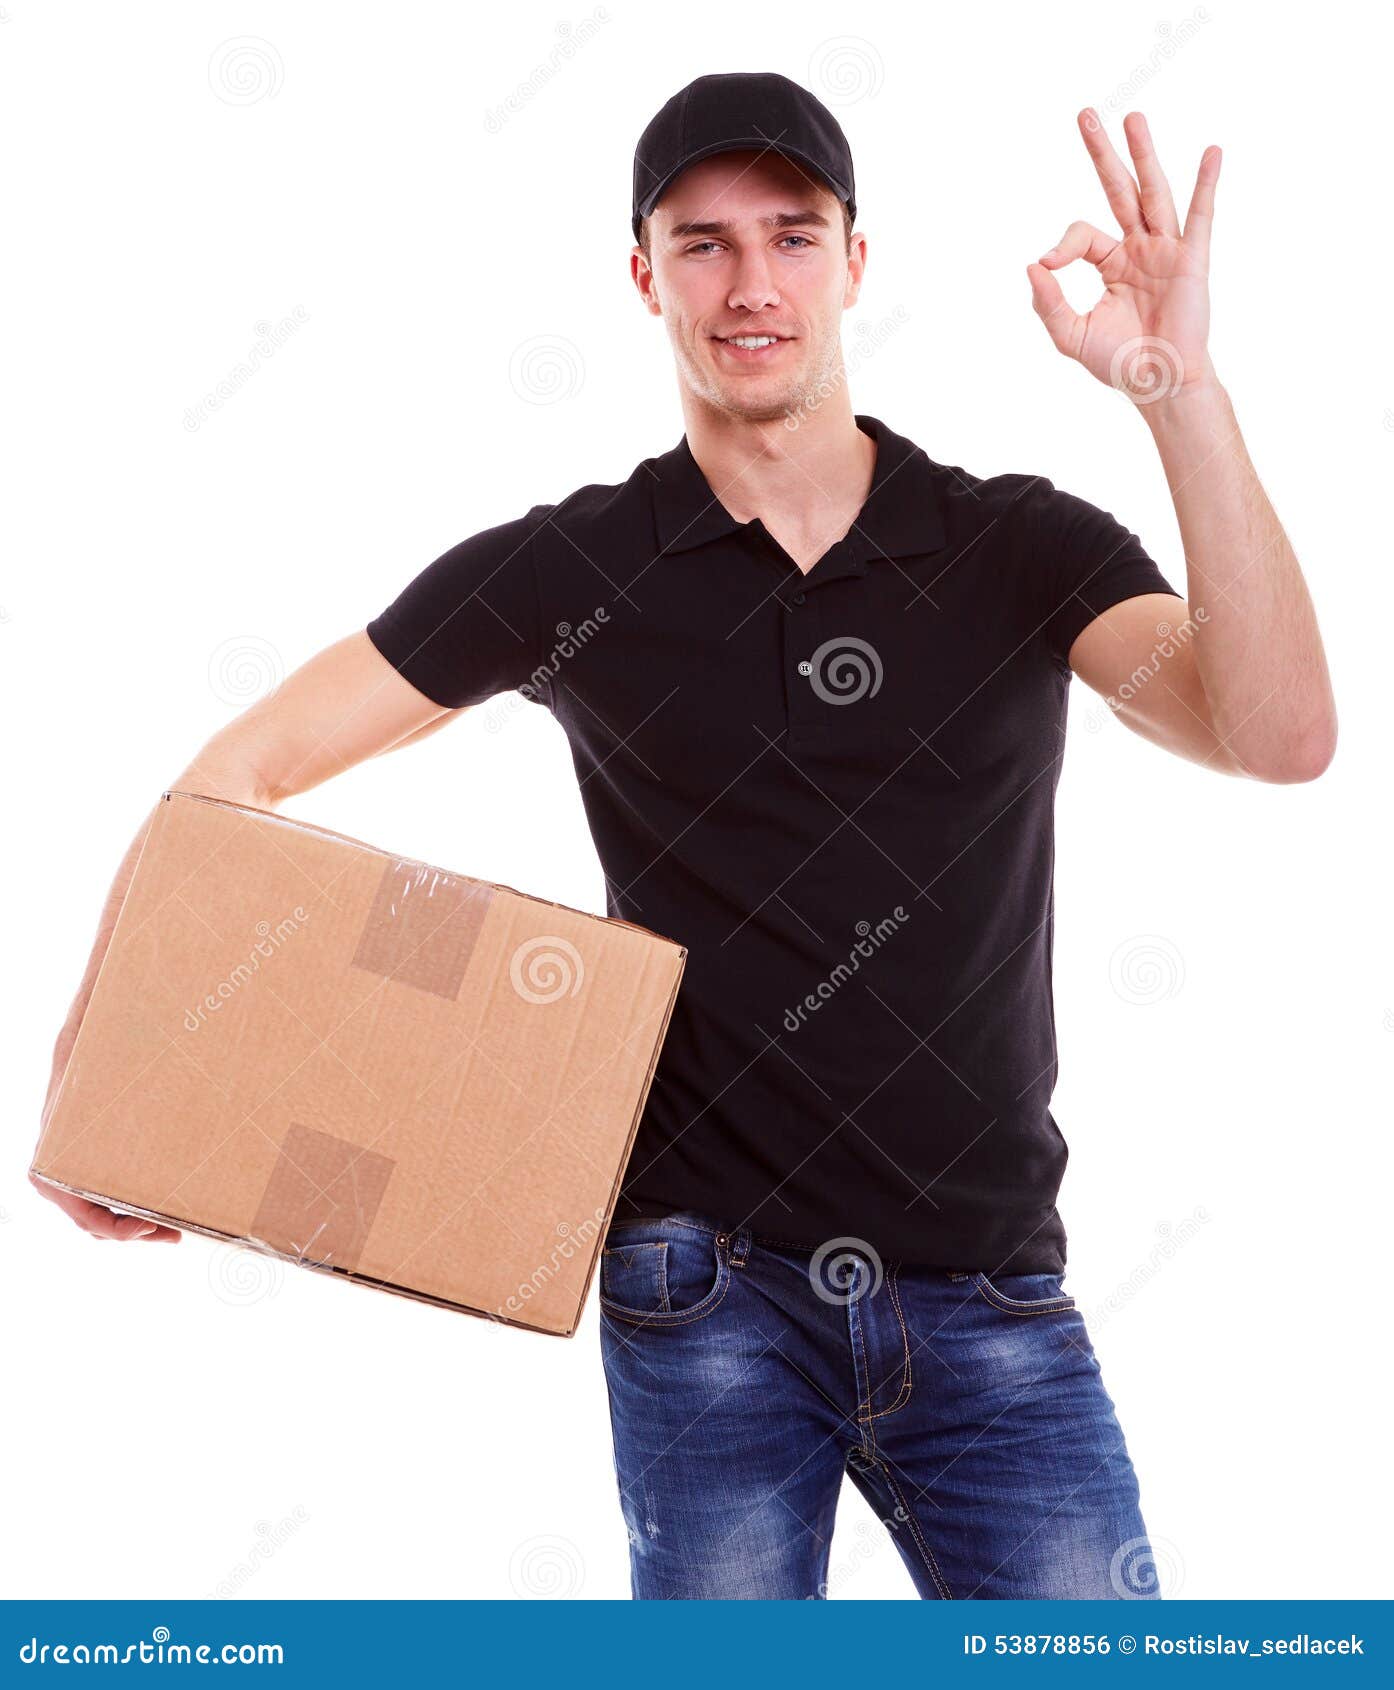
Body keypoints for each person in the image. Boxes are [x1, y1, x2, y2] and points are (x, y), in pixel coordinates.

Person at [34, 72, 1335, 1600]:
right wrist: (96, 1066)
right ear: (643, 275)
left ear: (855, 263)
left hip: (991, 1290)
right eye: (703, 243)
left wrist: (1177, 386)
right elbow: (234, 772)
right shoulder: (574, 567)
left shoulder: (1017, 548)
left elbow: (1276, 737)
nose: (751, 283)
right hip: (700, 1288)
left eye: (791, 236)